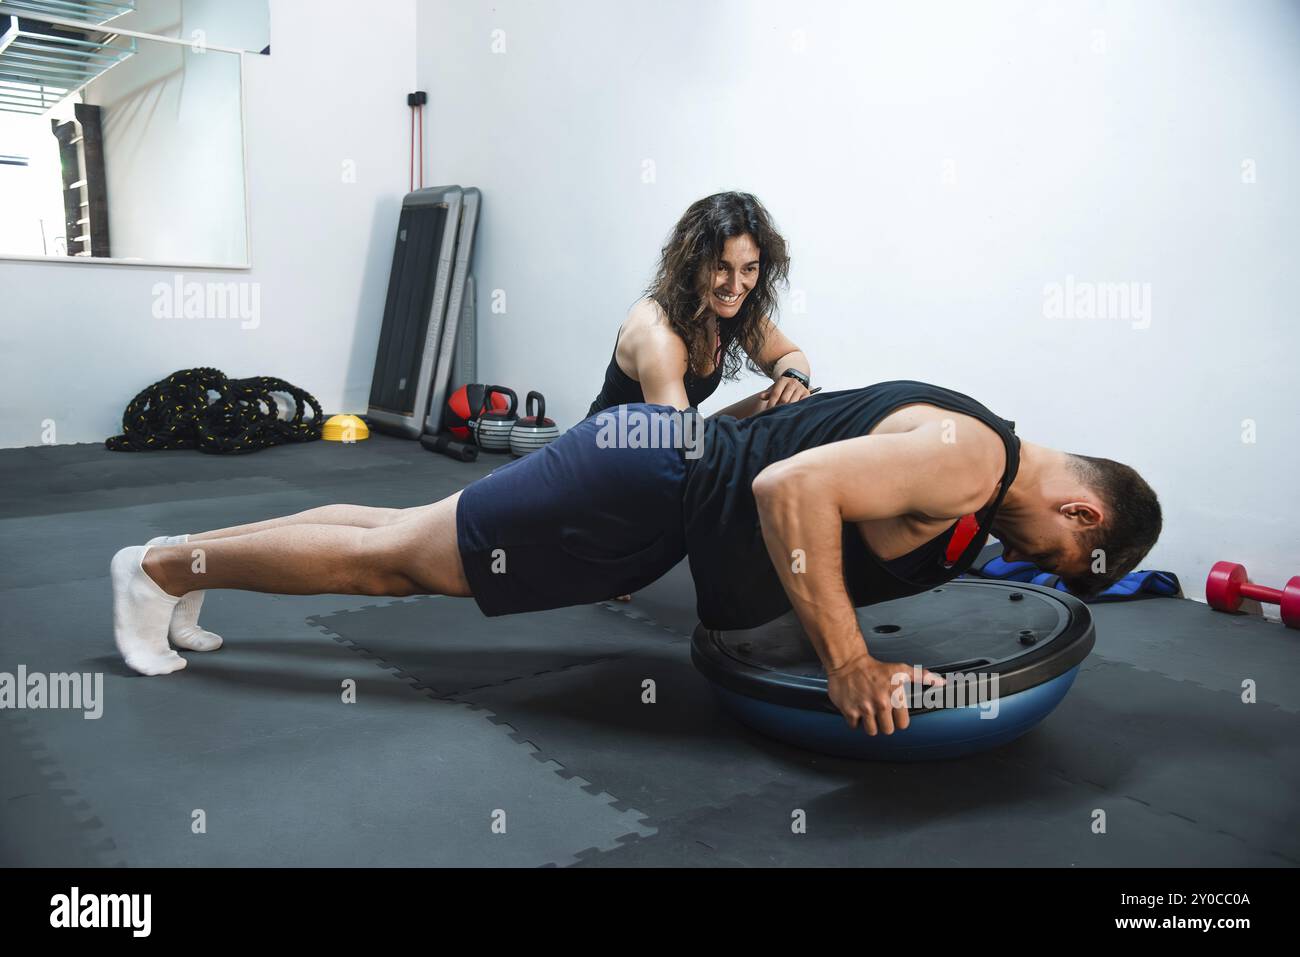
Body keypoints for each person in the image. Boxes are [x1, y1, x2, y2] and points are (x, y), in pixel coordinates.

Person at [111, 380, 1161, 739]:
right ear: (1081, 510)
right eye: (1068, 558)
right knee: (391, 564)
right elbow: (785, 488)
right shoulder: (973, 460)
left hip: (653, 471)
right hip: (645, 482)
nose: (1043, 565)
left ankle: (174, 564)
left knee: (401, 529)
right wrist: (848, 661)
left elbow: (772, 443)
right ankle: (158, 574)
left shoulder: (967, 434)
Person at [587, 191, 814, 421]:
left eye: (749, 269)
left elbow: (789, 355)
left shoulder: (722, 309)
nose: (735, 286)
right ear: (692, 262)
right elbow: (683, 439)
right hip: (612, 442)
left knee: (782, 403)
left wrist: (793, 380)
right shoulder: (657, 334)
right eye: (721, 267)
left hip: (672, 435)